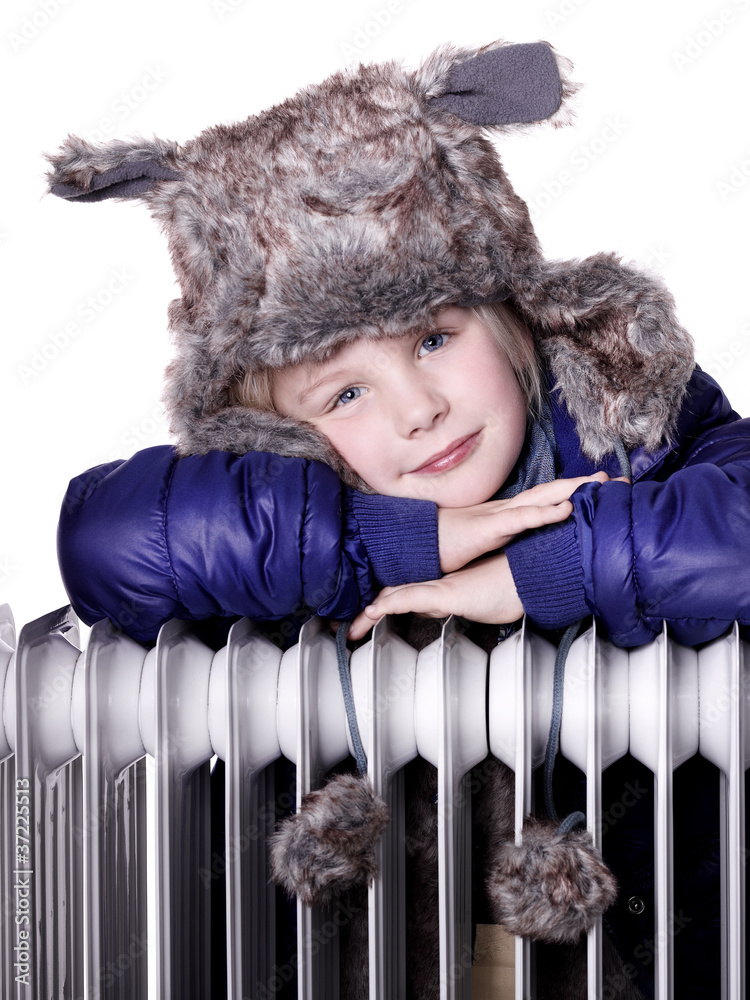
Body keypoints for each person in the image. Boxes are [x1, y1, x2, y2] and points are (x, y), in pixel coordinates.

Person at [47, 40, 749, 999]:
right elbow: (103, 542)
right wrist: (384, 542)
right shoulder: (283, 502)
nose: (417, 408)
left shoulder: (627, 423)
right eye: (344, 394)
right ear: (274, 430)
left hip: (652, 933)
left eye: (434, 338)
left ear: (506, 312)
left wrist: (550, 568)